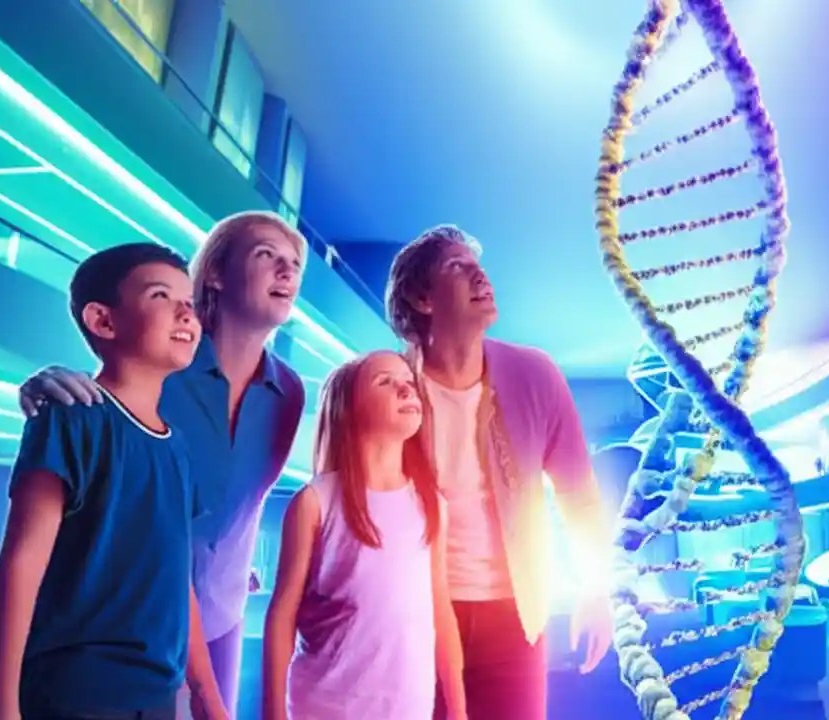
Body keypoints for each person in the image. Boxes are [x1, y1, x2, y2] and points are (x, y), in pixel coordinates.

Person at [15, 212, 308, 716]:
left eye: (295, 263)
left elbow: (236, 501)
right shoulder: (166, 358)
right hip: (116, 630)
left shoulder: (290, 394)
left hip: (218, 616)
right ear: (214, 272)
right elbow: (105, 402)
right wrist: (45, 384)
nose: (286, 270)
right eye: (266, 255)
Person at [0, 243, 227, 720]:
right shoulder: (73, 418)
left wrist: (207, 695)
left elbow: (179, 582)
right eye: (160, 296)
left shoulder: (178, 448)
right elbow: (20, 564)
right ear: (103, 321)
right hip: (75, 694)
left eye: (188, 302)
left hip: (156, 697)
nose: (185, 313)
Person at [386, 225, 613, 720]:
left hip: (515, 614)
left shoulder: (535, 374)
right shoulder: (390, 385)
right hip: (415, 614)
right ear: (422, 298)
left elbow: (580, 496)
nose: (479, 274)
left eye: (478, 264)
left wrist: (597, 593)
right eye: (456, 266)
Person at [262, 351, 466, 720]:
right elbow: (281, 615)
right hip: (325, 708)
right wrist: (272, 714)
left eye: (407, 380)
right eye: (385, 381)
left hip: (409, 710)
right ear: (350, 408)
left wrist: (458, 707)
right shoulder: (314, 502)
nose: (405, 387)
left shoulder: (432, 504)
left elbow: (440, 609)